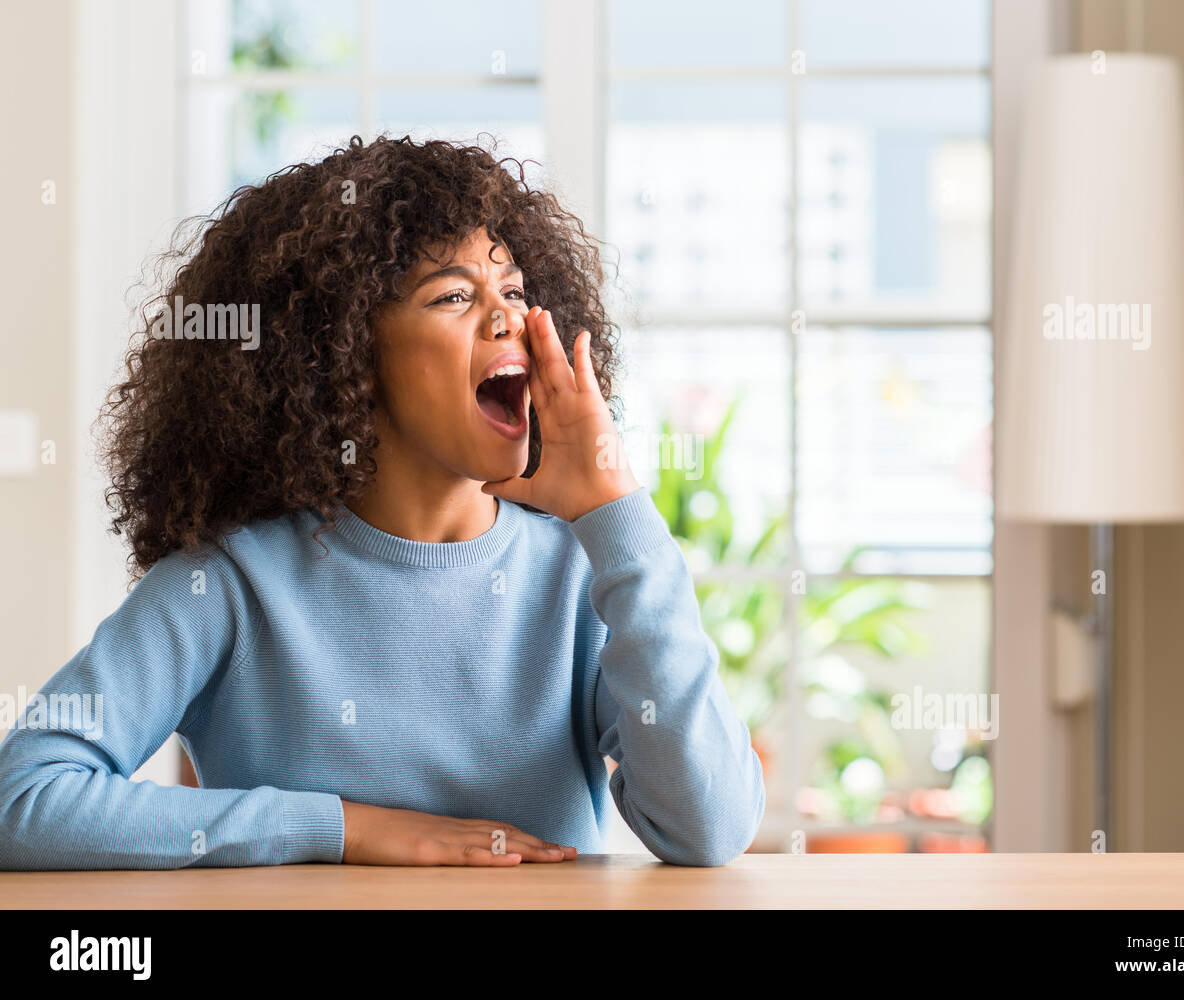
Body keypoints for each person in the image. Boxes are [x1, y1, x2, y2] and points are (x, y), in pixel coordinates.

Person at [0, 135, 765, 870]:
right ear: (339, 351)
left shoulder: (579, 578)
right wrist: (345, 829)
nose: (508, 320)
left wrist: (617, 514)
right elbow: (24, 801)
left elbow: (712, 826)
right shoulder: (227, 584)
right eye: (454, 295)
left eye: (516, 292)